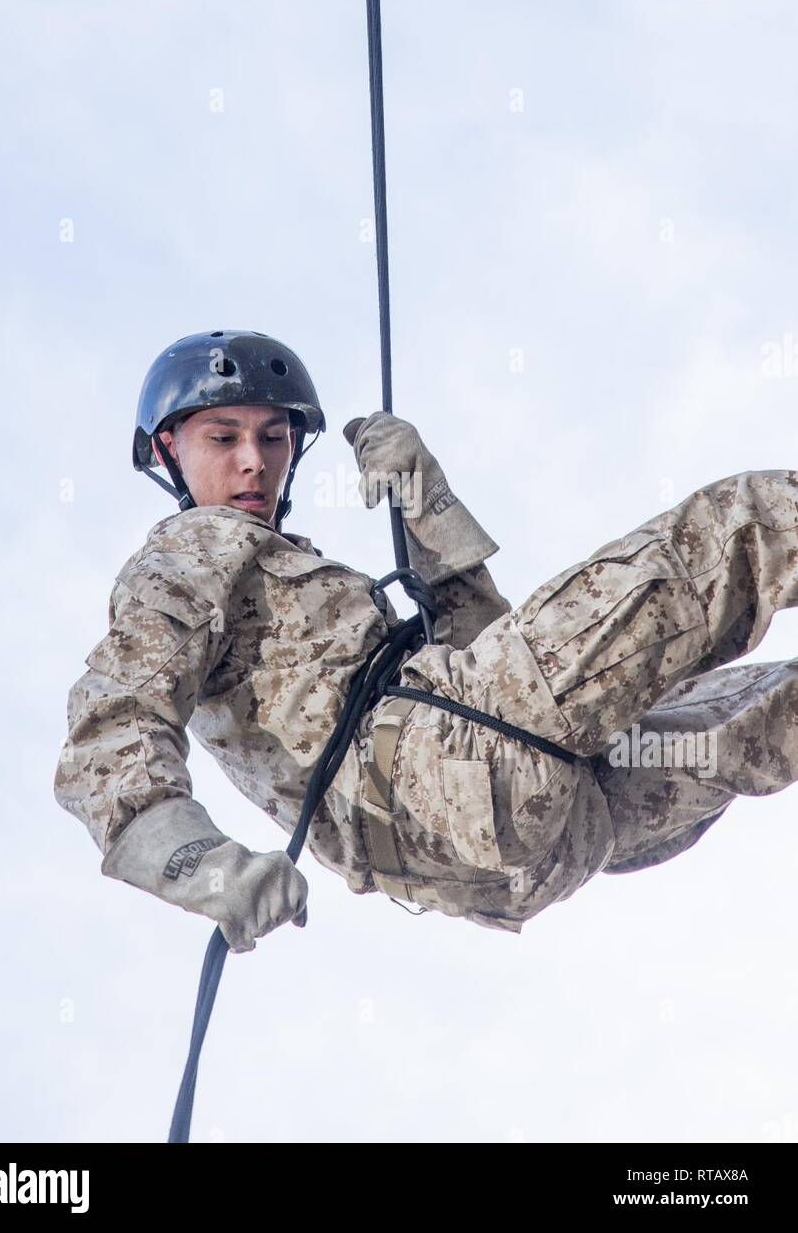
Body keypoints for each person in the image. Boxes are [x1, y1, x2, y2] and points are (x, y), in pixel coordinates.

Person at [55, 329, 798, 951]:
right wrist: (200, 866)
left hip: (511, 843)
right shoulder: (191, 548)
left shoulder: (289, 585)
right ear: (167, 449)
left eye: (273, 437)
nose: (254, 460)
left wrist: (424, 503)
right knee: (745, 528)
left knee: (763, 719)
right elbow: (110, 733)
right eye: (224, 437)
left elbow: (492, 665)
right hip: (444, 767)